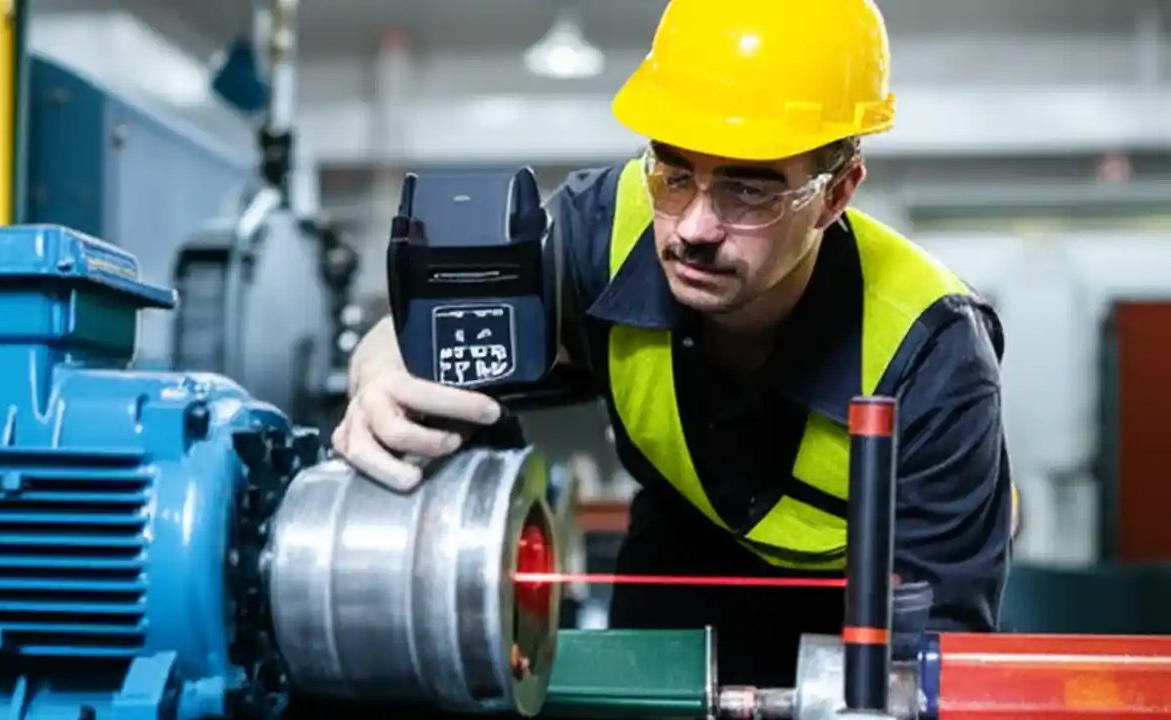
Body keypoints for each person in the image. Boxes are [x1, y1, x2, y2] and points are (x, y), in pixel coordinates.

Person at [332, 0, 1016, 686]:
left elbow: (940, 647)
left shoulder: (932, 351)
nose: (693, 228)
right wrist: (382, 361)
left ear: (836, 193)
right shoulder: (604, 231)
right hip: (675, 561)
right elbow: (453, 322)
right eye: (675, 174)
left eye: (747, 191)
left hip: (854, 603)